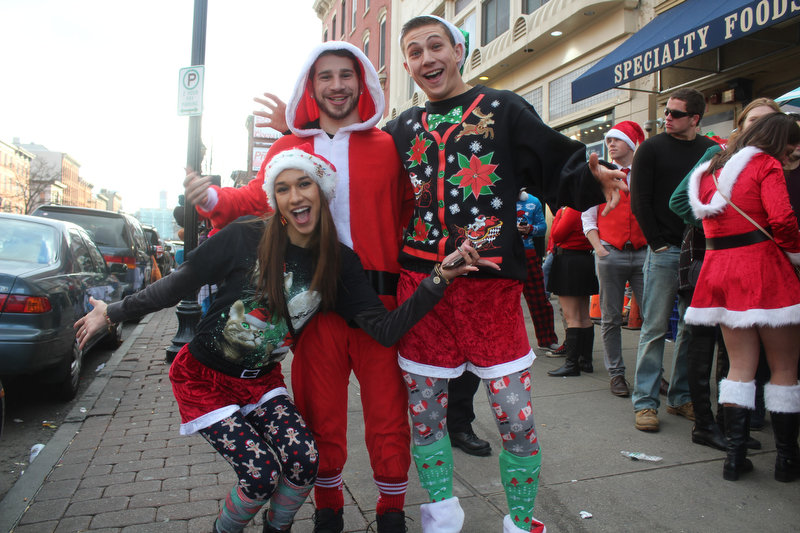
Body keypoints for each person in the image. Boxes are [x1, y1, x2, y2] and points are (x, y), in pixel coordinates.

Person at [76, 146, 487, 533]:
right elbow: (176, 285)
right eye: (283, 188)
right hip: (204, 380)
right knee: (260, 475)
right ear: (275, 198)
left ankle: (278, 527)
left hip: (260, 383)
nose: (295, 196)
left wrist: (439, 279)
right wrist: (111, 313)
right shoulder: (245, 237)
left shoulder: (339, 262)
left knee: (306, 461)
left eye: (304, 184)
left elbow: (384, 330)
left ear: (322, 192)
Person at [383, 15, 626, 533]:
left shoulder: (502, 108)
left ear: (458, 50)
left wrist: (590, 173)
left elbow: (554, 164)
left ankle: (521, 522)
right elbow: (358, 172)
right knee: (425, 419)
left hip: (490, 292)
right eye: (414, 51)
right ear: (406, 65)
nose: (427, 59)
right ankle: (442, 515)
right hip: (422, 293)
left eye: (436, 46)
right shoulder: (401, 128)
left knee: (516, 420)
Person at [184, 42, 416, 532]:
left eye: (346, 75)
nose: (336, 85)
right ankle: (328, 507)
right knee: (319, 414)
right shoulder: (290, 149)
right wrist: (210, 196)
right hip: (313, 310)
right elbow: (251, 198)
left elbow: (418, 209)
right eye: (324, 76)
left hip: (378, 304)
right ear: (310, 87)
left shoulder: (388, 145)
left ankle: (391, 510)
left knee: (388, 414)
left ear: (363, 82)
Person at [684, 113, 800, 482]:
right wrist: (796, 254)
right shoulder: (765, 164)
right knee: (784, 369)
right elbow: (782, 220)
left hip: (720, 271)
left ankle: (734, 458)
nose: (793, 151)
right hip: (764, 270)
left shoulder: (711, 168)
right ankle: (786, 460)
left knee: (738, 369)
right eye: (792, 145)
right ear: (778, 141)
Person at [669, 97, 781, 451]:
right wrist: (718, 228)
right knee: (702, 343)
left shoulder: (778, 162)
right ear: (741, 126)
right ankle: (704, 423)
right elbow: (679, 201)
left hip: (756, 267)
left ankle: (730, 426)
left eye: (769, 122)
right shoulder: (718, 156)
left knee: (738, 351)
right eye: (754, 121)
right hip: (707, 259)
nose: (761, 128)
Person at [629, 88, 716, 432]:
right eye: (667, 111)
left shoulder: (709, 149)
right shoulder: (651, 148)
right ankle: (645, 403)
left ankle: (681, 398)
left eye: (676, 113)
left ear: (695, 118)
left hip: (699, 250)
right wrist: (657, 243)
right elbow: (640, 200)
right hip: (665, 251)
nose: (667, 117)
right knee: (654, 327)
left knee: (691, 330)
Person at [582, 121, 647, 396]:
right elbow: (587, 216)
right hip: (611, 252)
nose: (610, 144)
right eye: (608, 140)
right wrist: (599, 248)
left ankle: (653, 374)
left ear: (631, 144)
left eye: (616, 140)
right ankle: (616, 374)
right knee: (610, 318)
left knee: (651, 317)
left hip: (644, 254)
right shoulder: (600, 175)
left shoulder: (645, 174)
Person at [546, 207, 598, 377]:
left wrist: (558, 216)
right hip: (584, 259)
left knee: (572, 317)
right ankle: (585, 360)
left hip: (569, 261)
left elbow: (557, 235)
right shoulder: (589, 207)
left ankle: (571, 363)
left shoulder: (571, 209)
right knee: (584, 315)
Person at [517, 188, 563, 355]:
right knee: (505, 302)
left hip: (528, 253)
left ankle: (548, 339)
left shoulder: (533, 201)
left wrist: (529, 229)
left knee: (539, 299)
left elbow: (543, 228)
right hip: (506, 256)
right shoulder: (499, 199)